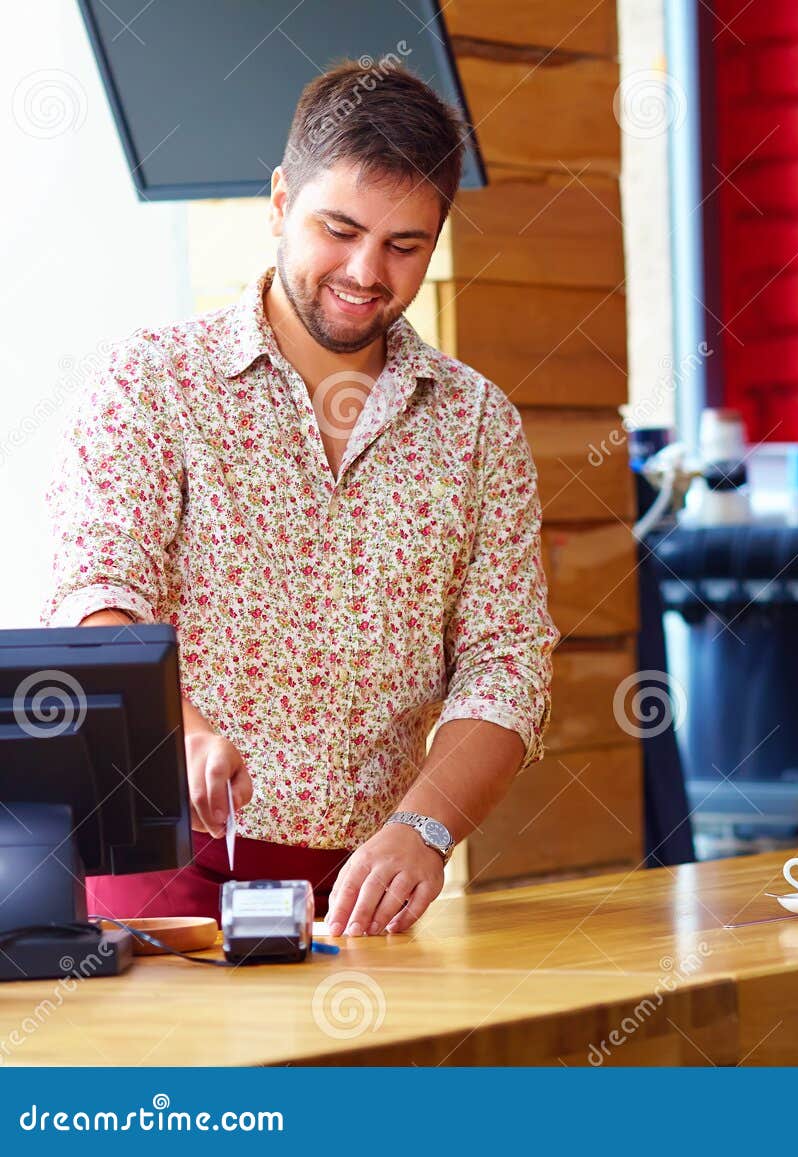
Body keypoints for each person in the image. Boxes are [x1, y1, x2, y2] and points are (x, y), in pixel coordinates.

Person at [44, 62, 557, 938]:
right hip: (157, 878)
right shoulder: (151, 383)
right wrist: (187, 731)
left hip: (365, 897)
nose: (365, 272)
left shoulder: (476, 424)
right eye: (340, 228)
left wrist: (425, 828)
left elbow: (508, 665)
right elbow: (94, 599)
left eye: (405, 245)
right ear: (281, 201)